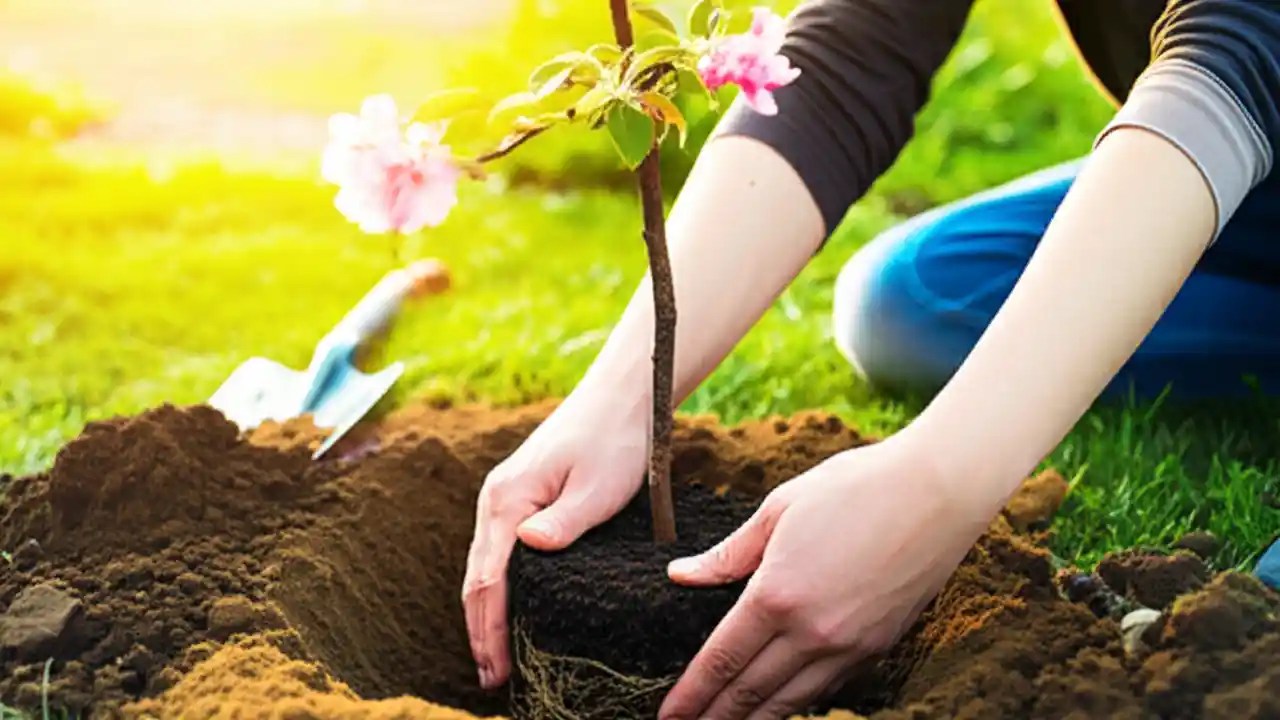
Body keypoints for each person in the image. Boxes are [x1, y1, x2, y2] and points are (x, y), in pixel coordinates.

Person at [463, 0, 1280, 717]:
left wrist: (939, 481)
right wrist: (620, 398)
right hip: (1259, 180)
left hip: (1246, 103)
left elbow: (1245, 41)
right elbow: (850, 49)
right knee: (908, 303)